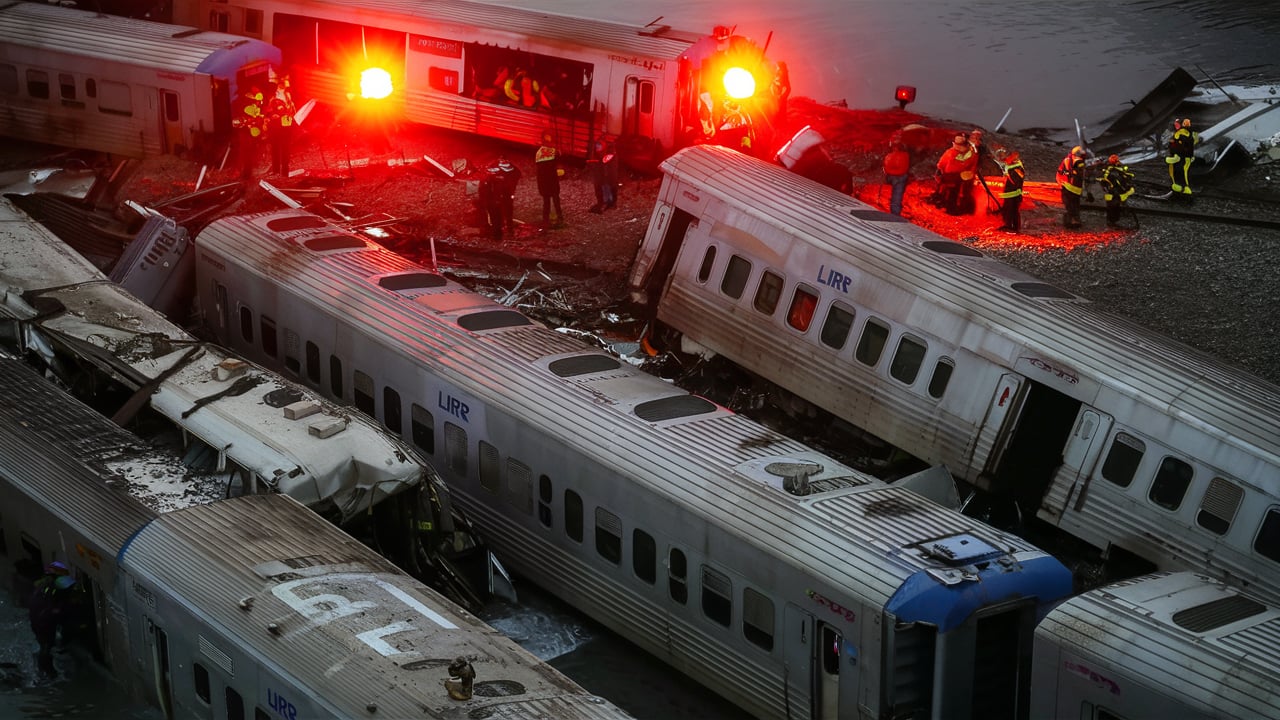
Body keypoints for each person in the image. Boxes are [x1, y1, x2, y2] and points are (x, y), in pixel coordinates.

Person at [28, 562, 77, 678]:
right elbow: (73, 586)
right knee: (47, 645)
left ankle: (43, 669)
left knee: (44, 644)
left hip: (38, 619)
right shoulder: (59, 582)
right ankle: (47, 671)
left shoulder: (41, 583)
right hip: (47, 619)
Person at [232, 85, 266, 181]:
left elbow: (259, 114)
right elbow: (237, 120)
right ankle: (244, 173)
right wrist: (247, 121)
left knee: (250, 151)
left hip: (252, 131)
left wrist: (258, 121)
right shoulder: (241, 104)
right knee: (245, 152)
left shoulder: (257, 102)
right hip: (245, 131)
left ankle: (247, 173)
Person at [935, 134, 974, 215]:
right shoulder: (951, 152)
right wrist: (940, 172)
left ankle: (949, 207)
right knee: (949, 192)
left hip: (957, 177)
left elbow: (969, 165)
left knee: (952, 193)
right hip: (950, 176)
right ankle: (948, 207)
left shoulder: (967, 154)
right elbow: (942, 163)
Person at [265, 77, 297, 176]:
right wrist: (271, 116)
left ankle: (285, 171)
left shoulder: (288, 95)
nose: (285, 87)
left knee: (286, 148)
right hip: (275, 125)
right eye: (283, 84)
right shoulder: (272, 95)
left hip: (286, 124)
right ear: (279, 84)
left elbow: (292, 109)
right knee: (275, 147)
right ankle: (276, 170)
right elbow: (268, 110)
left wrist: (291, 113)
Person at [534, 132, 565, 227]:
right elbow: (559, 165)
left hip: (543, 181)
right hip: (552, 180)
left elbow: (538, 170)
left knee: (546, 201)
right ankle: (560, 218)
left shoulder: (539, 153)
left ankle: (545, 220)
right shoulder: (554, 152)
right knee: (556, 199)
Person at [1099, 154, 1136, 227]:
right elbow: (1116, 181)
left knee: (1114, 207)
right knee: (1113, 207)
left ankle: (1113, 221)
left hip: (1113, 191)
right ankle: (1111, 222)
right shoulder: (1111, 171)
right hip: (1113, 192)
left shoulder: (1111, 169)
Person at [1166, 117, 1199, 200]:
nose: (1175, 125)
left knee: (1177, 174)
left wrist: (1171, 158)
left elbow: (1177, 147)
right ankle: (1185, 192)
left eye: (1177, 124)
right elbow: (1193, 143)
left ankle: (1178, 193)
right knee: (1185, 174)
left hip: (1179, 158)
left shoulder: (1179, 134)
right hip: (1187, 158)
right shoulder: (1191, 134)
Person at [1056, 145, 1087, 228]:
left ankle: (1068, 223)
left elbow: (1060, 171)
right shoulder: (1079, 162)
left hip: (1066, 186)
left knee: (1068, 206)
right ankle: (1075, 222)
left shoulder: (1066, 160)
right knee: (1075, 206)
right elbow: (1083, 175)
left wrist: (1061, 182)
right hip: (1075, 188)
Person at [996, 149, 1025, 232]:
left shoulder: (1016, 169)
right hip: (1012, 194)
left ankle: (1010, 227)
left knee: (1010, 211)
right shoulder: (1013, 167)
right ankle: (1012, 227)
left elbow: (1014, 181)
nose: (1004, 160)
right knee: (1012, 211)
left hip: (1012, 194)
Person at [882, 136, 911, 216]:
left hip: (891, 176)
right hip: (900, 177)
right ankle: (895, 213)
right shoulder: (905, 156)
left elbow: (885, 167)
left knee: (895, 195)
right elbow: (905, 168)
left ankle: (894, 209)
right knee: (897, 196)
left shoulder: (888, 156)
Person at [494, 156, 521, 234]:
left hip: (508, 193)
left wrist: (512, 183)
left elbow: (517, 174)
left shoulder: (512, 169)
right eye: (500, 160)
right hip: (499, 194)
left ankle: (509, 228)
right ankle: (502, 226)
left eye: (503, 160)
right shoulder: (497, 168)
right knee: (500, 210)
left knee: (508, 210)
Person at [478, 166, 504, 240]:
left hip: (495, 203)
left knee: (496, 219)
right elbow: (482, 192)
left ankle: (496, 235)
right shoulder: (485, 182)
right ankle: (490, 234)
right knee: (491, 218)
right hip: (490, 203)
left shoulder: (497, 181)